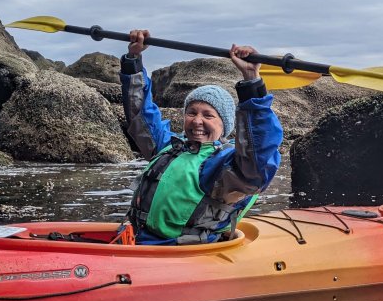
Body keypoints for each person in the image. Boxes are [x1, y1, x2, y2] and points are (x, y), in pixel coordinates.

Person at [120, 29, 283, 244]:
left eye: (208, 115)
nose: (197, 121)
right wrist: (133, 59)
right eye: (191, 113)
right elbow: (140, 114)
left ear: (224, 126)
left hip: (177, 251)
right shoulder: (168, 146)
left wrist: (252, 81)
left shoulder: (222, 167)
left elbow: (259, 157)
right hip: (135, 240)